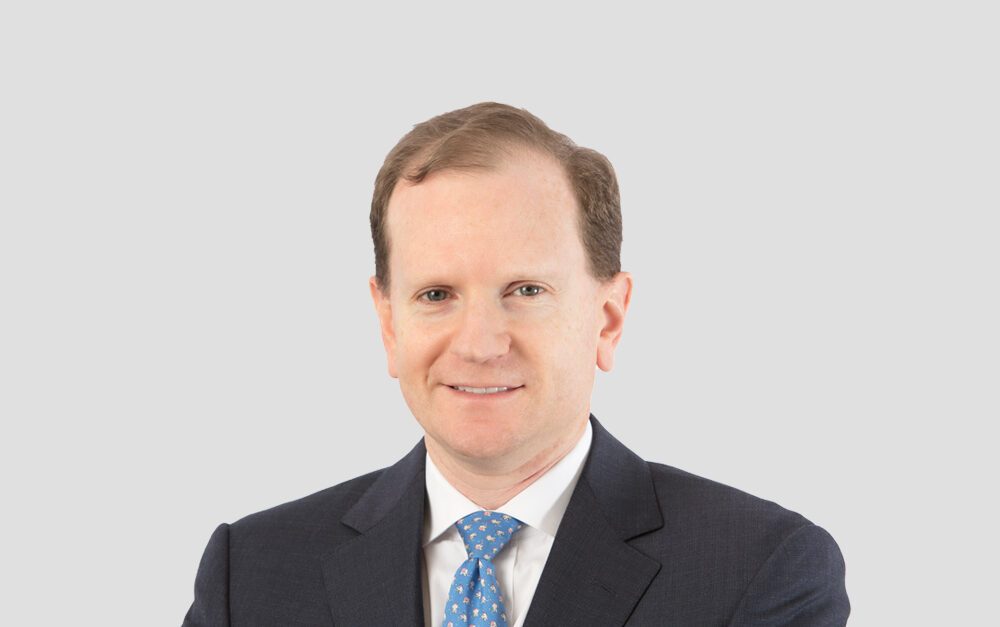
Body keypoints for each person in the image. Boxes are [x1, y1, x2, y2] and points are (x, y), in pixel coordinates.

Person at [182, 102, 850, 626]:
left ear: (608, 318)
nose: (479, 343)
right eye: (436, 295)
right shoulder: (253, 574)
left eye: (525, 290)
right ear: (388, 324)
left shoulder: (757, 569)